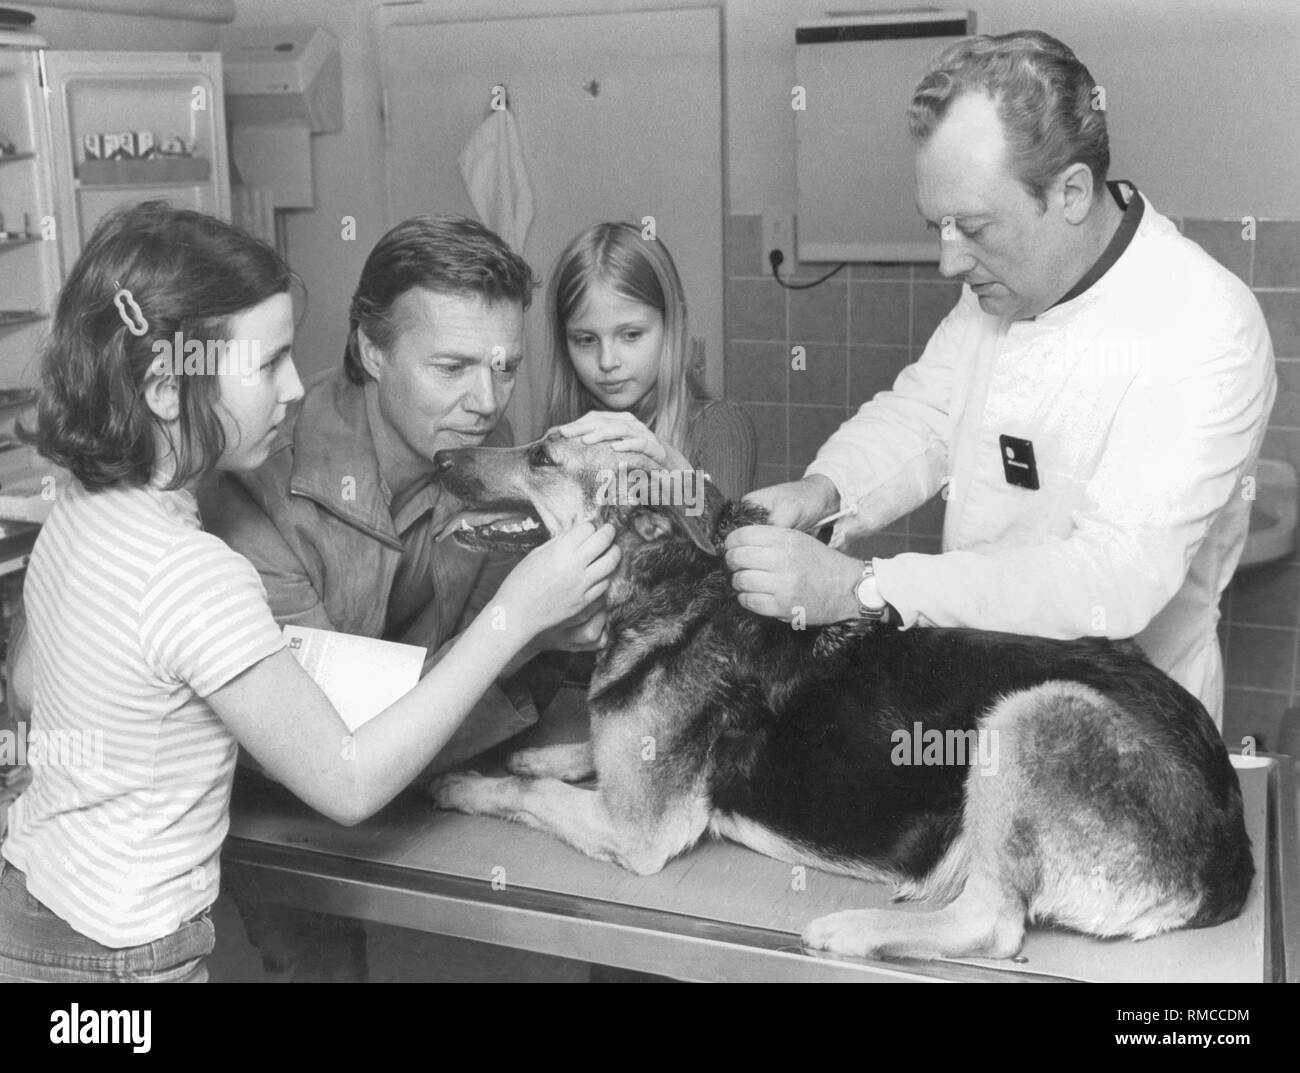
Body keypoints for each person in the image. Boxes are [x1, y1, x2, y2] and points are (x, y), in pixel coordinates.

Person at [0, 201, 619, 983]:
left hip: (38, 911)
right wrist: (518, 617)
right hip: (123, 954)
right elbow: (350, 778)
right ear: (167, 386)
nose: (295, 385)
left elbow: (27, 680)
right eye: (267, 364)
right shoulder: (199, 565)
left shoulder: (83, 510)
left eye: (504, 368)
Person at [725, 30, 1275, 725]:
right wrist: (825, 492)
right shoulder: (1008, 280)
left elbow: (1111, 576)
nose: (949, 262)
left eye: (974, 228)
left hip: (1127, 726)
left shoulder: (1204, 324)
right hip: (980, 685)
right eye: (939, 226)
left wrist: (865, 589)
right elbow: (927, 414)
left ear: (1072, 191)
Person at [198, 213, 616, 981]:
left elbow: (499, 677)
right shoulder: (254, 488)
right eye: (451, 367)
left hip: (433, 777)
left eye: (505, 366)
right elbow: (330, 744)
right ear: (370, 350)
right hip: (286, 805)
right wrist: (527, 629)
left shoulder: (482, 442)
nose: (487, 400)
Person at [547, 222, 756, 501]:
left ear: (673, 324)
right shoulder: (562, 436)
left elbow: (722, 535)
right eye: (586, 340)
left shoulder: (720, 426)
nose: (607, 361)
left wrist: (668, 464)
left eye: (631, 335)